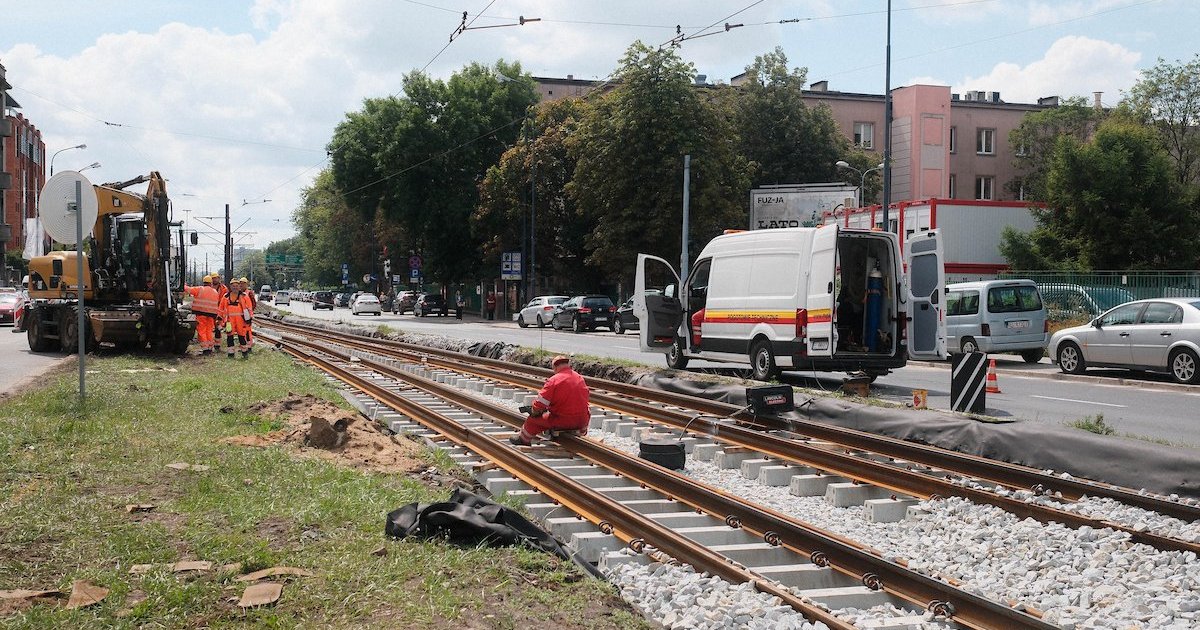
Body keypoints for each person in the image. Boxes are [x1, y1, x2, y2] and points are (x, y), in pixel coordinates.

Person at [510, 355, 590, 446]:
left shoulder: (554, 380)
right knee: (585, 411)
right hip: (582, 421)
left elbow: (540, 404)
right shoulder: (580, 378)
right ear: (568, 365)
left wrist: (534, 411)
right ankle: (581, 432)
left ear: (555, 367)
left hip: (562, 420)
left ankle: (523, 439)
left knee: (532, 420)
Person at [183, 274, 220, 354]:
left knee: (202, 330)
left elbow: (188, 290)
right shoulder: (215, 292)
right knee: (209, 330)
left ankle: (205, 348)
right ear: (211, 283)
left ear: (203, 282)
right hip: (212, 315)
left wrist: (184, 284)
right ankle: (210, 347)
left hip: (201, 313)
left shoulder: (200, 289)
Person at [218, 279, 255, 358]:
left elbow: (249, 308)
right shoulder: (226, 297)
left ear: (239, 286)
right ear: (230, 286)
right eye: (233, 286)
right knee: (229, 336)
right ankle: (231, 354)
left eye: (236, 286)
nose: (235, 287)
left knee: (241, 336)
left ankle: (244, 353)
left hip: (241, 320)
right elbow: (221, 308)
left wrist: (250, 318)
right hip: (229, 320)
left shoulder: (244, 296)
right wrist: (219, 319)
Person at [239, 277, 257, 351]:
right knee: (242, 331)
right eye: (240, 284)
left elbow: (253, 303)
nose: (241, 285)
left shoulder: (249, 293)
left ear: (246, 284)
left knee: (247, 331)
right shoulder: (239, 293)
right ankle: (244, 345)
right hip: (241, 314)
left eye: (243, 284)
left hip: (247, 315)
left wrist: (250, 313)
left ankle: (249, 346)